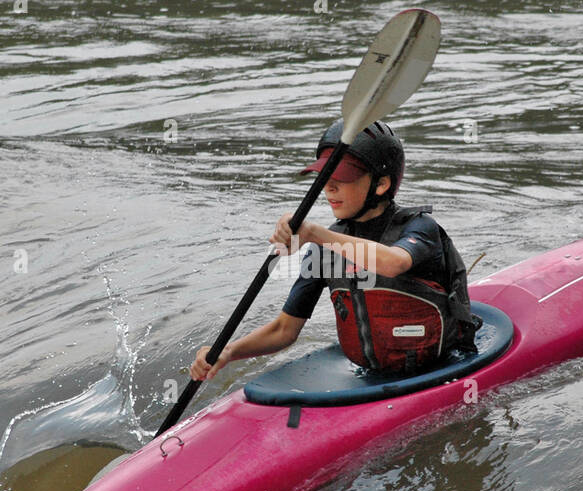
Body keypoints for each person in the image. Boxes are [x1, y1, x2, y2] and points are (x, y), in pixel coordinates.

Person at [190, 119, 481, 382]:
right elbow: (285, 330)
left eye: (343, 178)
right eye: (325, 177)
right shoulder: (327, 246)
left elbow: (393, 263)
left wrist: (314, 233)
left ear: (381, 184)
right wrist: (229, 352)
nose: (329, 187)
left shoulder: (419, 227)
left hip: (443, 366)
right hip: (371, 374)